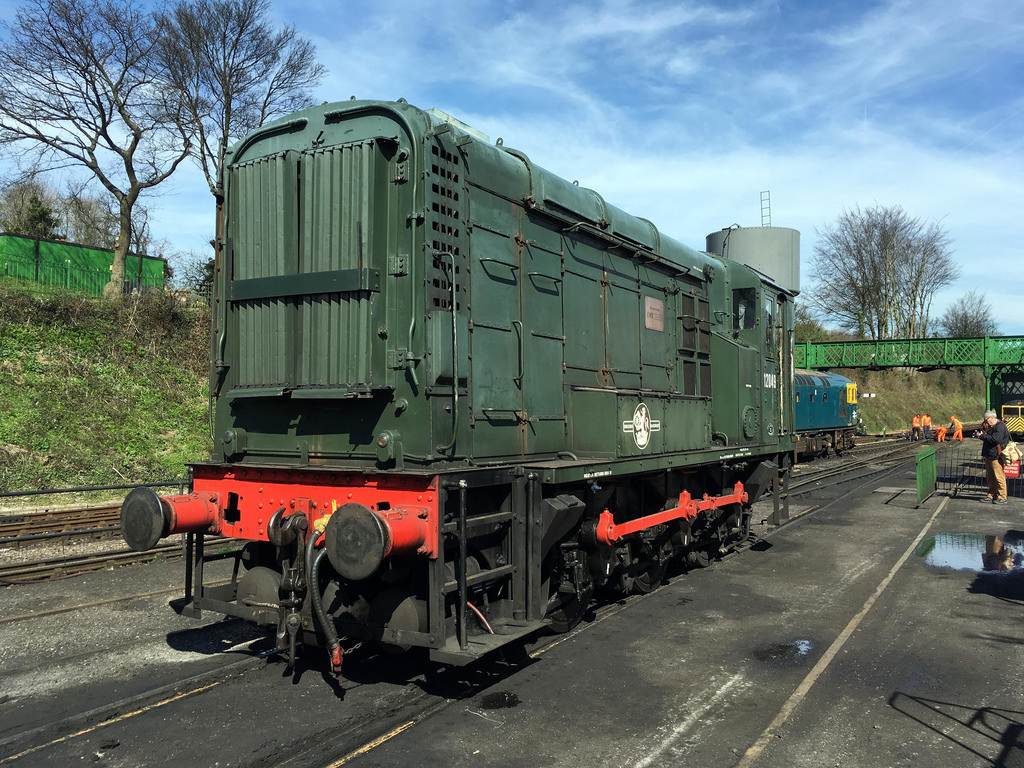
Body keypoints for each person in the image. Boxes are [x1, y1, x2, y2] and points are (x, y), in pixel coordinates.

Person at [975, 410, 1009, 504]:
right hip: (990, 455)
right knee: (990, 477)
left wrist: (982, 436)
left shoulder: (1000, 426)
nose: (985, 422)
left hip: (996, 456)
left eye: (986, 420)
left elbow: (995, 439)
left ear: (992, 418)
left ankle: (1002, 497)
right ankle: (991, 495)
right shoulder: (993, 427)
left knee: (999, 476)